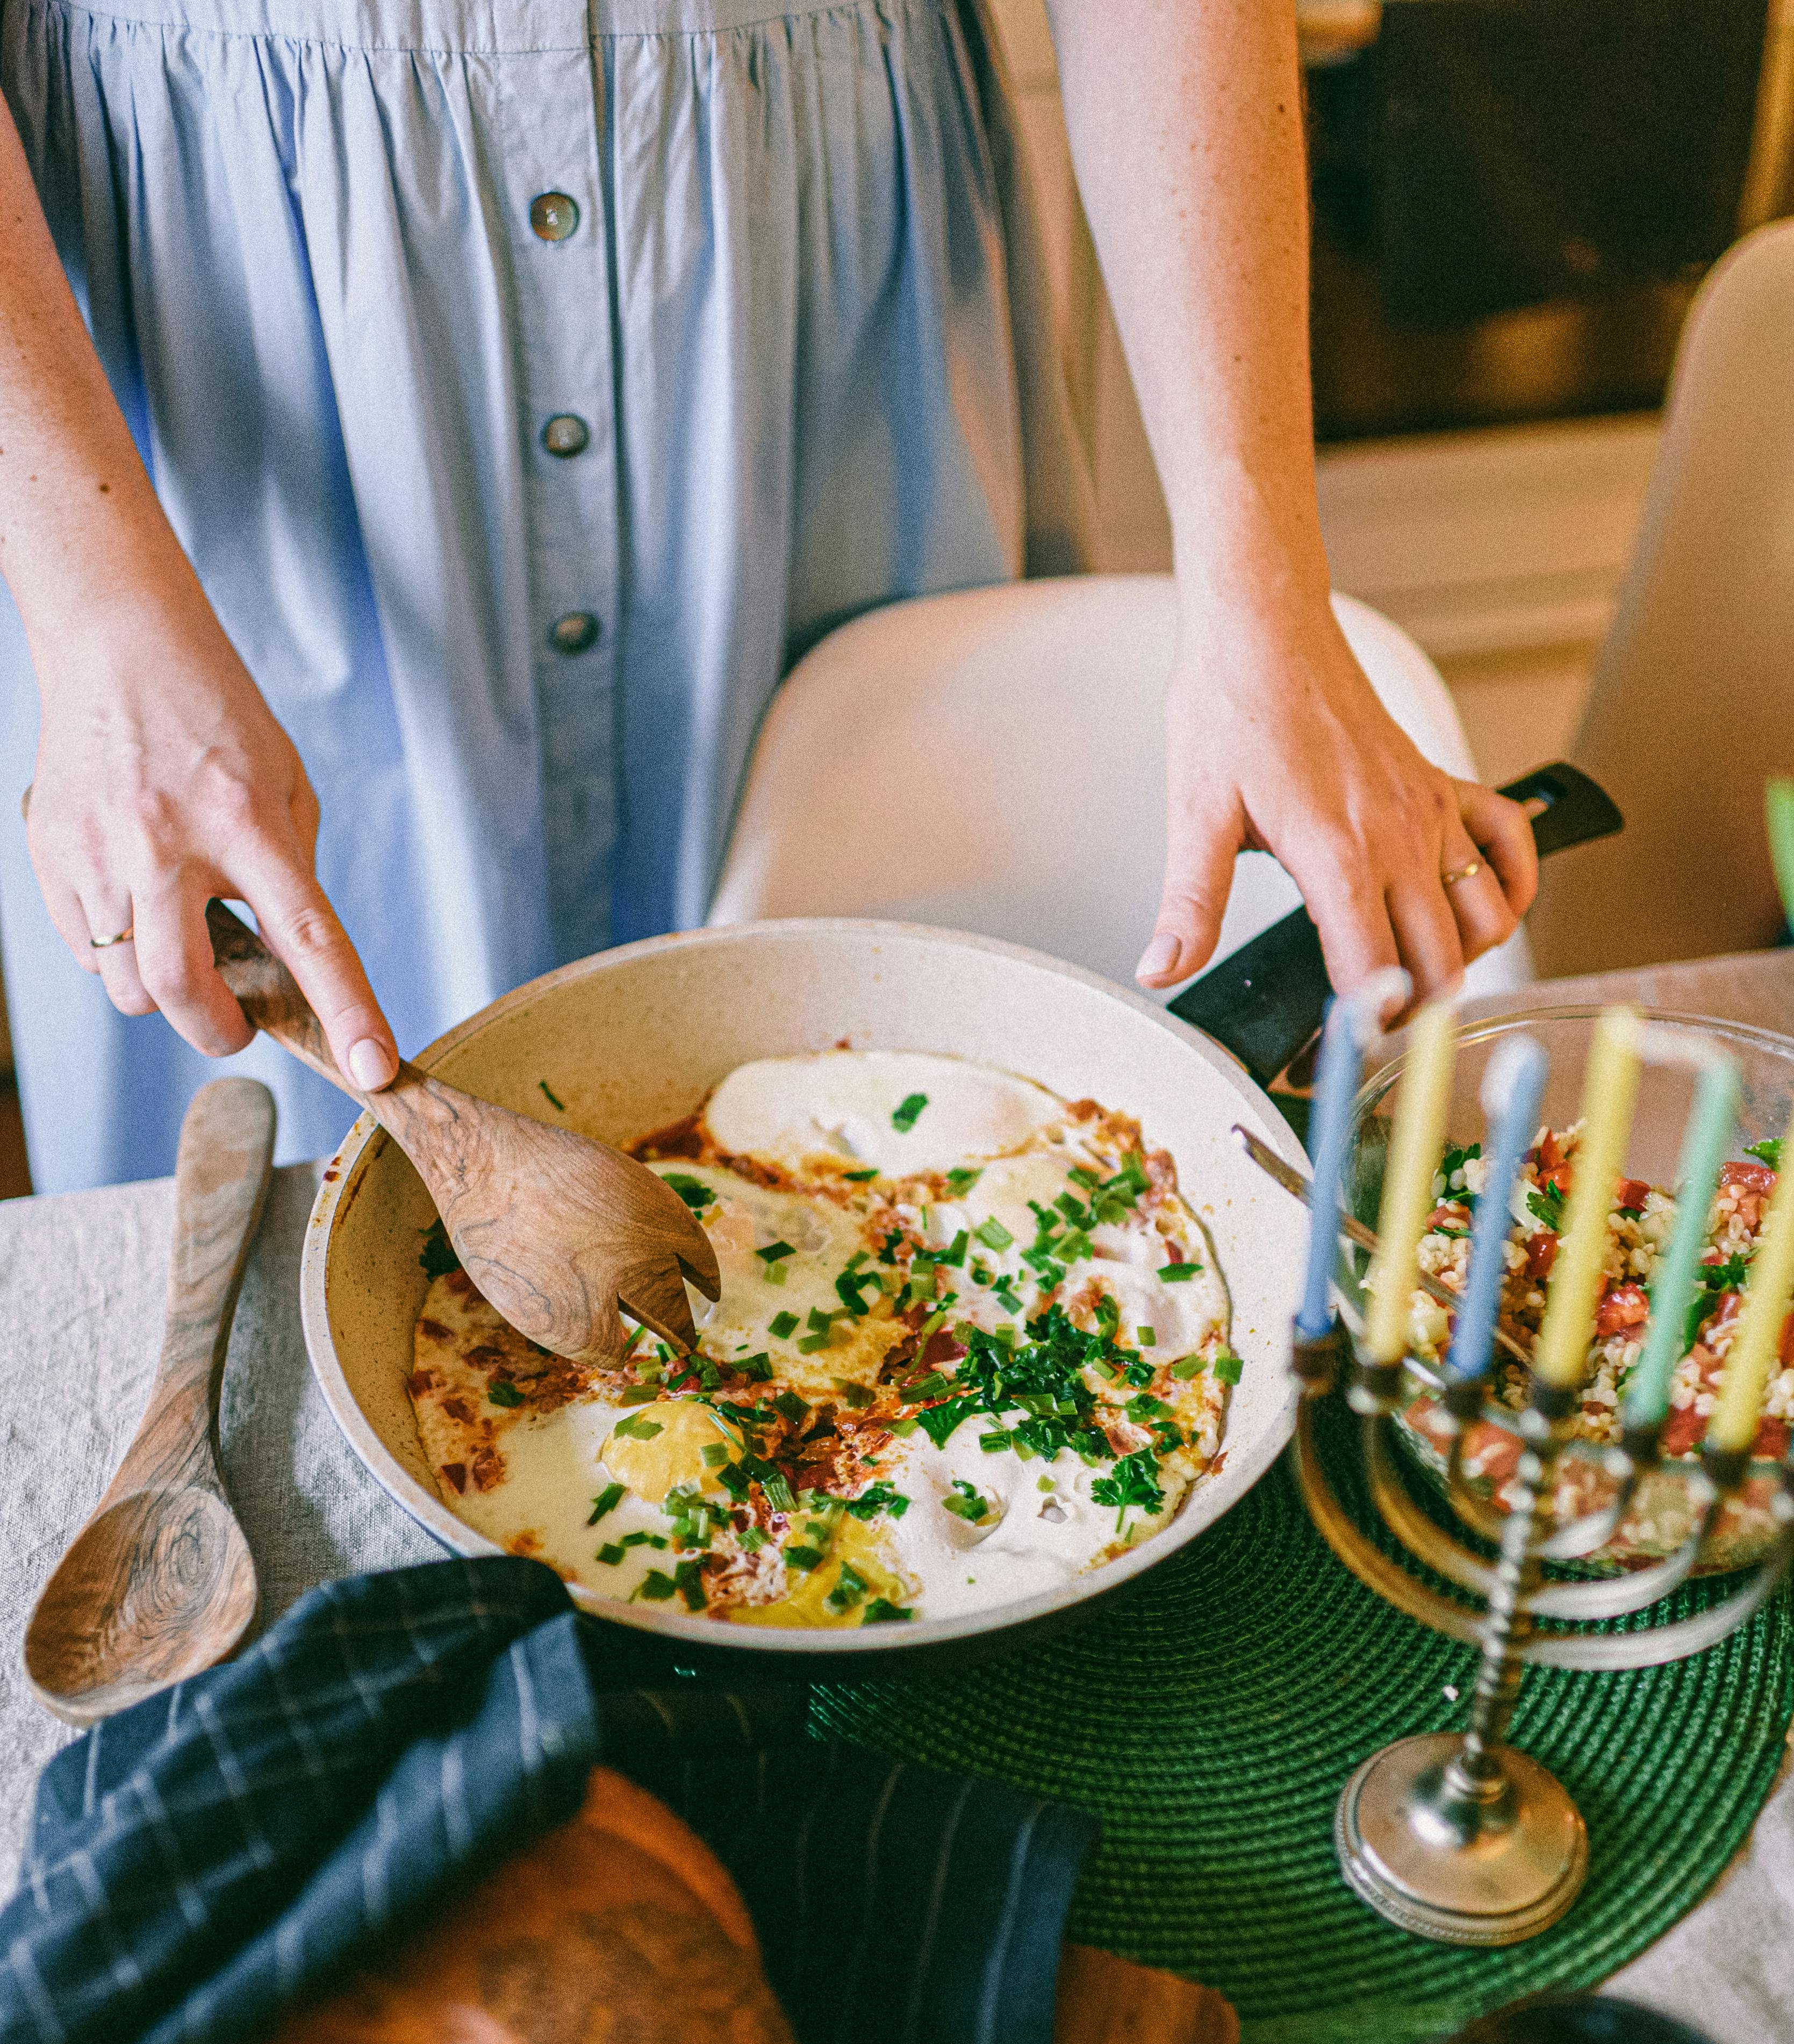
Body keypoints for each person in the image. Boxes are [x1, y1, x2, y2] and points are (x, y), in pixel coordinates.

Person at [0, 0, 1537, 1194]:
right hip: (177, 350)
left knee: (916, 1154)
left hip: (814, 284)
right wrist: (104, 618)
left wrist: (1261, 585)